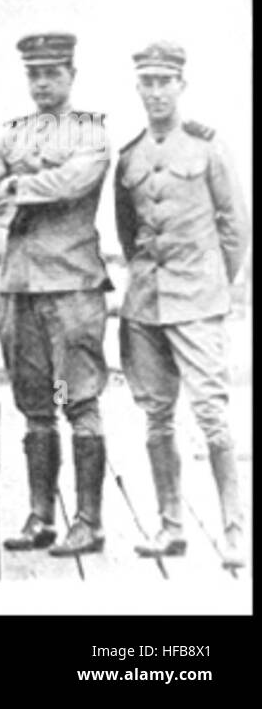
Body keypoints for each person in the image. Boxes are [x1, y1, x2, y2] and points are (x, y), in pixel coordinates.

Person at [0, 32, 113, 556]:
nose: (42, 83)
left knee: (78, 399)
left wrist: (18, 185)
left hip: (73, 284)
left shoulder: (90, 132)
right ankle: (41, 516)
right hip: (20, 287)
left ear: (72, 76)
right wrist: (20, 185)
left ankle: (90, 521)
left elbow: (72, 184)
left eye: (52, 72)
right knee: (34, 404)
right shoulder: (12, 135)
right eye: (34, 74)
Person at [114, 42, 251, 568]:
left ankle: (235, 531)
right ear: (138, 89)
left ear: (181, 86)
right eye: (146, 82)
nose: (155, 92)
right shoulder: (129, 156)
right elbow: (128, 233)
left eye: (163, 81)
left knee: (213, 417)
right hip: (146, 304)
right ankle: (170, 525)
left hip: (198, 300)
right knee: (156, 417)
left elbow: (235, 226)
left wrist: (212, 284)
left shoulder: (208, 148)